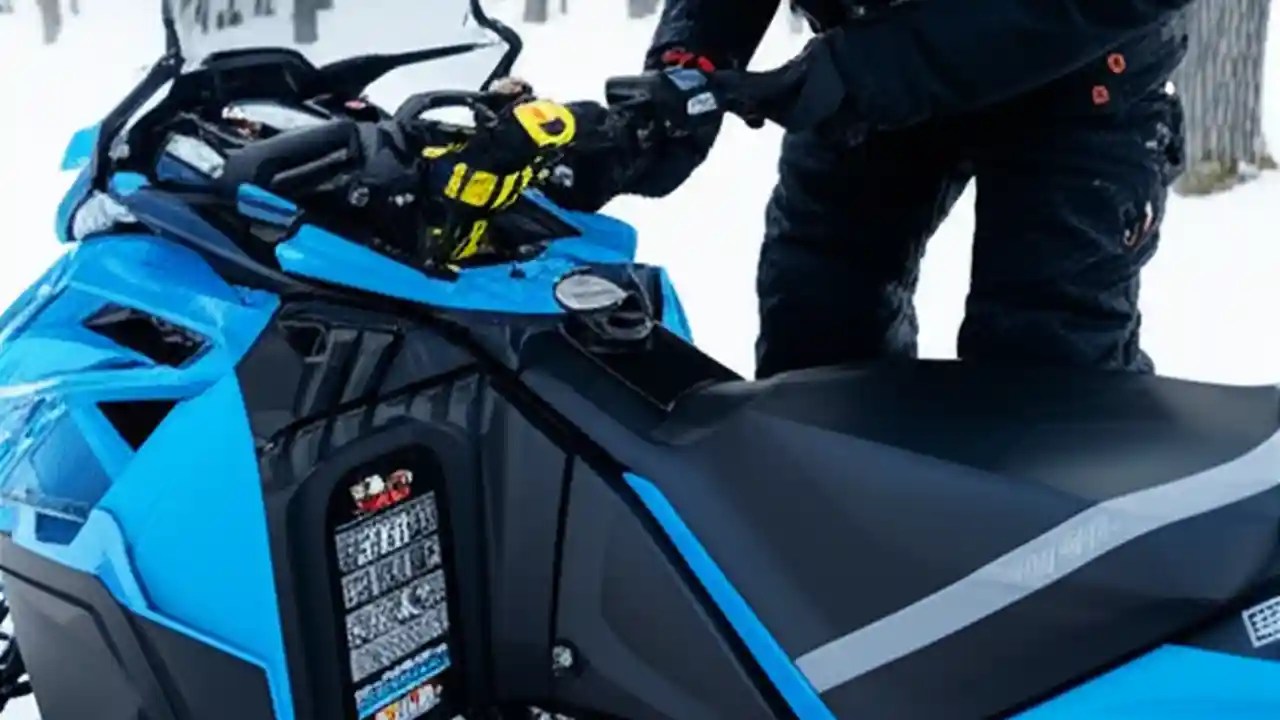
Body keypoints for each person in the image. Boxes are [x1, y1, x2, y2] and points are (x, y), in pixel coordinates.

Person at [539, 0, 1195, 379]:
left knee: (1047, 386)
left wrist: (861, 72)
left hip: (1078, 69)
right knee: (816, 343)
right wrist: (685, 75)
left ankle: (1076, 606)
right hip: (876, 45)